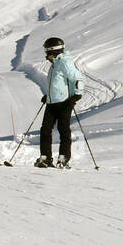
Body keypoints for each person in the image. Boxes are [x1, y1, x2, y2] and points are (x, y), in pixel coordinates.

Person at [37, 37, 82, 169]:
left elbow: (78, 78)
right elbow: (57, 84)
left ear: (54, 51)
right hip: (52, 103)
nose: (46, 55)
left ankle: (64, 157)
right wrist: (48, 95)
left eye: (47, 52)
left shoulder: (65, 63)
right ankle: (45, 157)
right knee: (45, 130)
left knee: (63, 129)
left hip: (64, 102)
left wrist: (77, 95)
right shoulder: (55, 65)